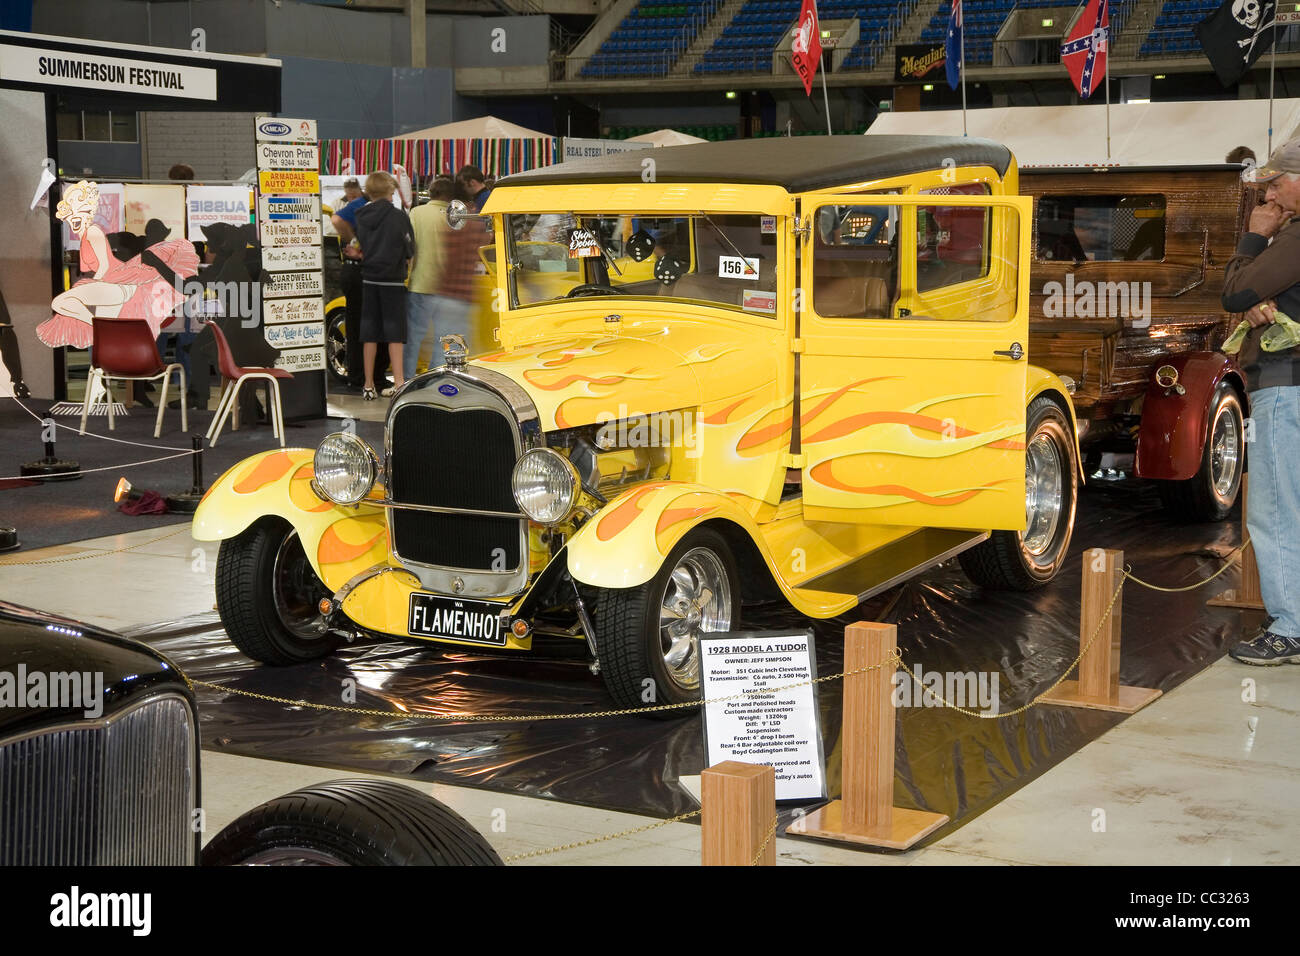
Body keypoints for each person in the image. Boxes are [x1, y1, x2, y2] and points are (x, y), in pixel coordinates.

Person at [1220, 138, 1300, 665]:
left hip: (1285, 385)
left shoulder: (1292, 237)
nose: (1267, 194)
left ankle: (1290, 625)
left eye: (1276, 183)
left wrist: (1252, 240)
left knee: (1274, 510)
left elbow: (1234, 293)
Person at [37, 181, 199, 350]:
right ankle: (104, 346)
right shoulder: (88, 233)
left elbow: (105, 266)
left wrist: (94, 284)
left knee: (61, 302)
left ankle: (100, 329)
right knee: (105, 343)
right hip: (115, 284)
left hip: (116, 284)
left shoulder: (93, 232)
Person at [354, 172, 413, 400]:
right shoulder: (398, 217)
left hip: (369, 278)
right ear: (389, 190)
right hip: (392, 279)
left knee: (369, 333)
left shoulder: (360, 215)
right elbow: (409, 247)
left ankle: (368, 385)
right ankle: (398, 383)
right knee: (394, 333)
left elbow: (359, 243)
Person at [404, 177, 452, 381]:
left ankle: (406, 379)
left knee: (414, 337)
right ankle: (435, 378)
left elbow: (408, 247)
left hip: (420, 282)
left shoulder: (416, 213)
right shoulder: (455, 216)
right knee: (443, 338)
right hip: (447, 286)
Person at [436, 180, 488, 359]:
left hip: (446, 295)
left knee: (445, 354)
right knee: (461, 355)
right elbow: (486, 242)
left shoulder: (448, 228)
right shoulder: (475, 226)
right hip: (466, 297)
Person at [331, 178, 368, 388]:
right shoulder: (358, 205)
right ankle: (357, 374)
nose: (351, 199)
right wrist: (355, 241)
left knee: (356, 324)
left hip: (353, 269)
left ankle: (358, 374)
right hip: (357, 270)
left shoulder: (356, 206)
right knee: (357, 325)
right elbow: (336, 221)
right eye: (349, 196)